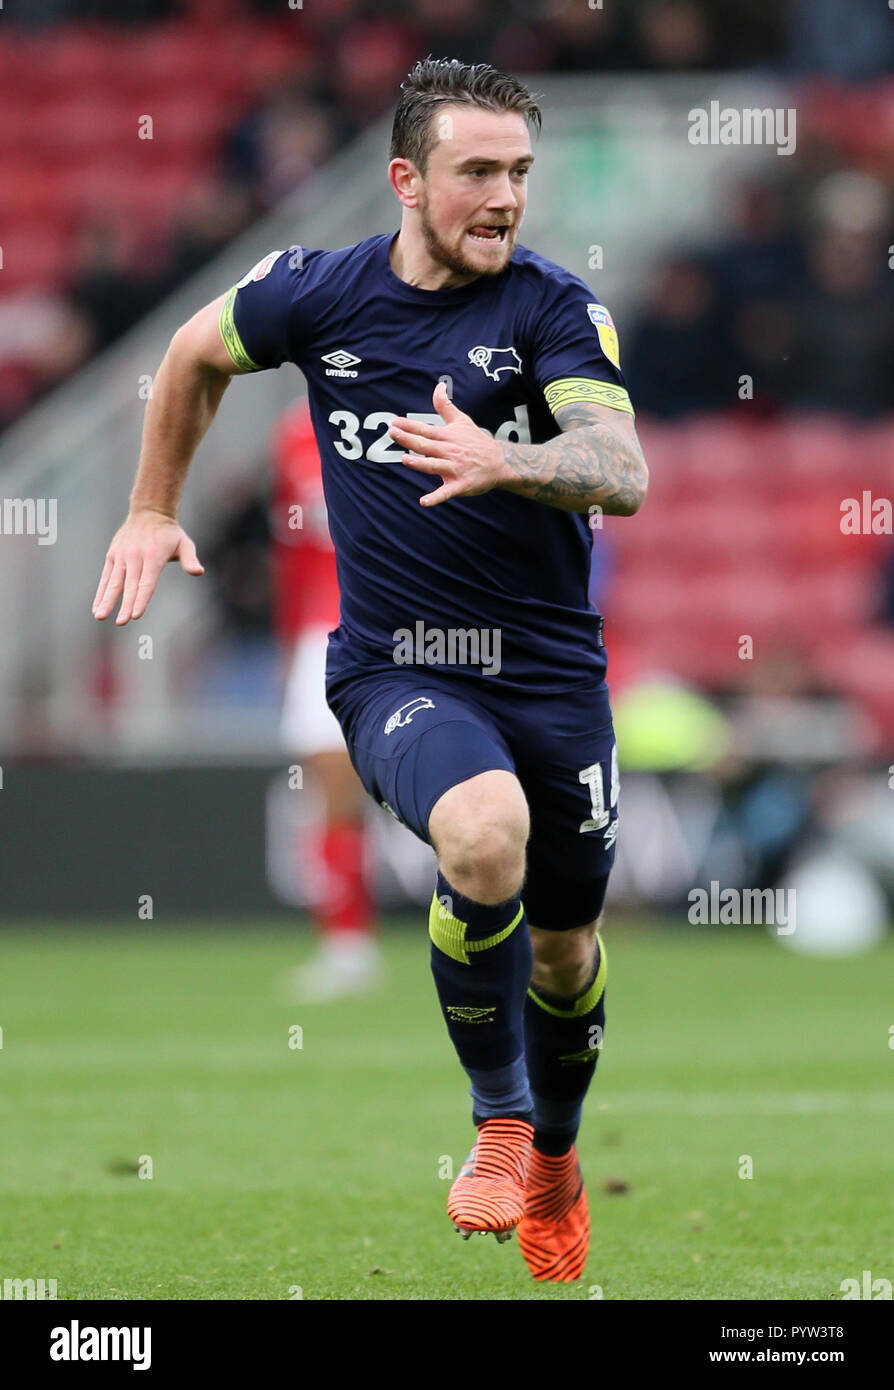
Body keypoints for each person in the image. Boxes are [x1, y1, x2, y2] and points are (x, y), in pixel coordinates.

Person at [92, 58, 648, 1283]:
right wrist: (148, 508)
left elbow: (622, 464)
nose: (505, 197)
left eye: (520, 173)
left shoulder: (553, 310)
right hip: (399, 668)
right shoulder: (315, 294)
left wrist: (520, 463)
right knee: (483, 834)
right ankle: (500, 1123)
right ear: (406, 180)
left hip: (553, 677)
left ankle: (554, 1156)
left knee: (566, 953)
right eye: (479, 172)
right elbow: (189, 355)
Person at [272, 400, 382, 1000]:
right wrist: (287, 640)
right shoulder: (291, 434)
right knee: (331, 787)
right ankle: (347, 947)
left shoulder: (404, 404)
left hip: (411, 623)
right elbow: (289, 552)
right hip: (324, 627)